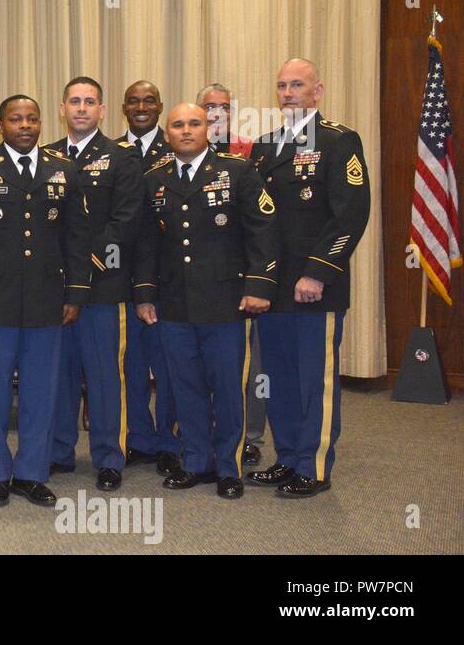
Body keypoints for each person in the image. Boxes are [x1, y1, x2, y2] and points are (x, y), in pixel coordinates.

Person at [0, 95, 89, 508]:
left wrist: (76, 293)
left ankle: (31, 472)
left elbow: (77, 239)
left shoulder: (64, 170)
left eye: (32, 118)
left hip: (48, 298)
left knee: (40, 391)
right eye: (16, 119)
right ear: (0, 124)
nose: (25, 125)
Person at [134, 103, 278, 500]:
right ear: (167, 134)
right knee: (185, 386)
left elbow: (262, 231)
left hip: (225, 301)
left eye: (194, 124)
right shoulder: (155, 179)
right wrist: (144, 294)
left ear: (208, 129)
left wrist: (259, 285)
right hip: (173, 302)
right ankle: (196, 461)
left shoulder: (237, 172)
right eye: (177, 125)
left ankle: (229, 467)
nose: (185, 131)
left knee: (228, 386)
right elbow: (146, 244)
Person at [247, 59, 371, 497]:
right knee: (277, 377)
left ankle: (314, 465)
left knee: (313, 379)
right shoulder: (264, 147)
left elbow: (350, 215)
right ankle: (286, 458)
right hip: (273, 287)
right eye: (281, 85)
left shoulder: (338, 141)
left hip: (314, 286)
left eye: (297, 85)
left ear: (317, 91)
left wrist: (317, 273)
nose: (287, 93)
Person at [45, 77, 146, 491]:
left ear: (103, 111)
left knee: (106, 375)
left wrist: (82, 265)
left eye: (90, 102)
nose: (82, 108)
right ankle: (57, 452)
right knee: (59, 374)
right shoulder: (45, 156)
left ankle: (108, 456)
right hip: (53, 290)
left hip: (103, 285)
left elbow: (126, 221)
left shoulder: (122, 158)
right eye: (74, 101)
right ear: (63, 109)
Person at [196, 82, 264, 465]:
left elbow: (261, 223)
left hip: (235, 280)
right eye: (210, 106)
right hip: (192, 281)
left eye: (224, 107)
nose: (216, 114)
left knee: (241, 369)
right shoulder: (180, 150)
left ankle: (247, 438)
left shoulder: (249, 152)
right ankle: (198, 438)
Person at [116, 79, 181, 476]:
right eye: (134, 101)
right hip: (121, 277)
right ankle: (137, 439)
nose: (141, 107)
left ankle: (170, 441)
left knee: (170, 365)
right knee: (130, 365)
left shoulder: (177, 148)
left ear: (160, 107)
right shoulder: (110, 152)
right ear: (123, 108)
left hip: (170, 278)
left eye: (149, 101)